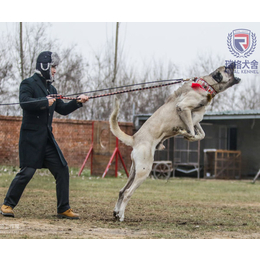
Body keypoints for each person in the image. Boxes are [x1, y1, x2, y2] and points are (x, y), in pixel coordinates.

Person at [0, 51, 88, 219]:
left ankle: (63, 208)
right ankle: (7, 205)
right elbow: (24, 102)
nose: (55, 70)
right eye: (53, 67)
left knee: (62, 169)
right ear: (45, 65)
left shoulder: (51, 88)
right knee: (27, 172)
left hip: (47, 140)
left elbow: (61, 109)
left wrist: (77, 102)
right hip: (31, 139)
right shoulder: (27, 84)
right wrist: (43, 102)